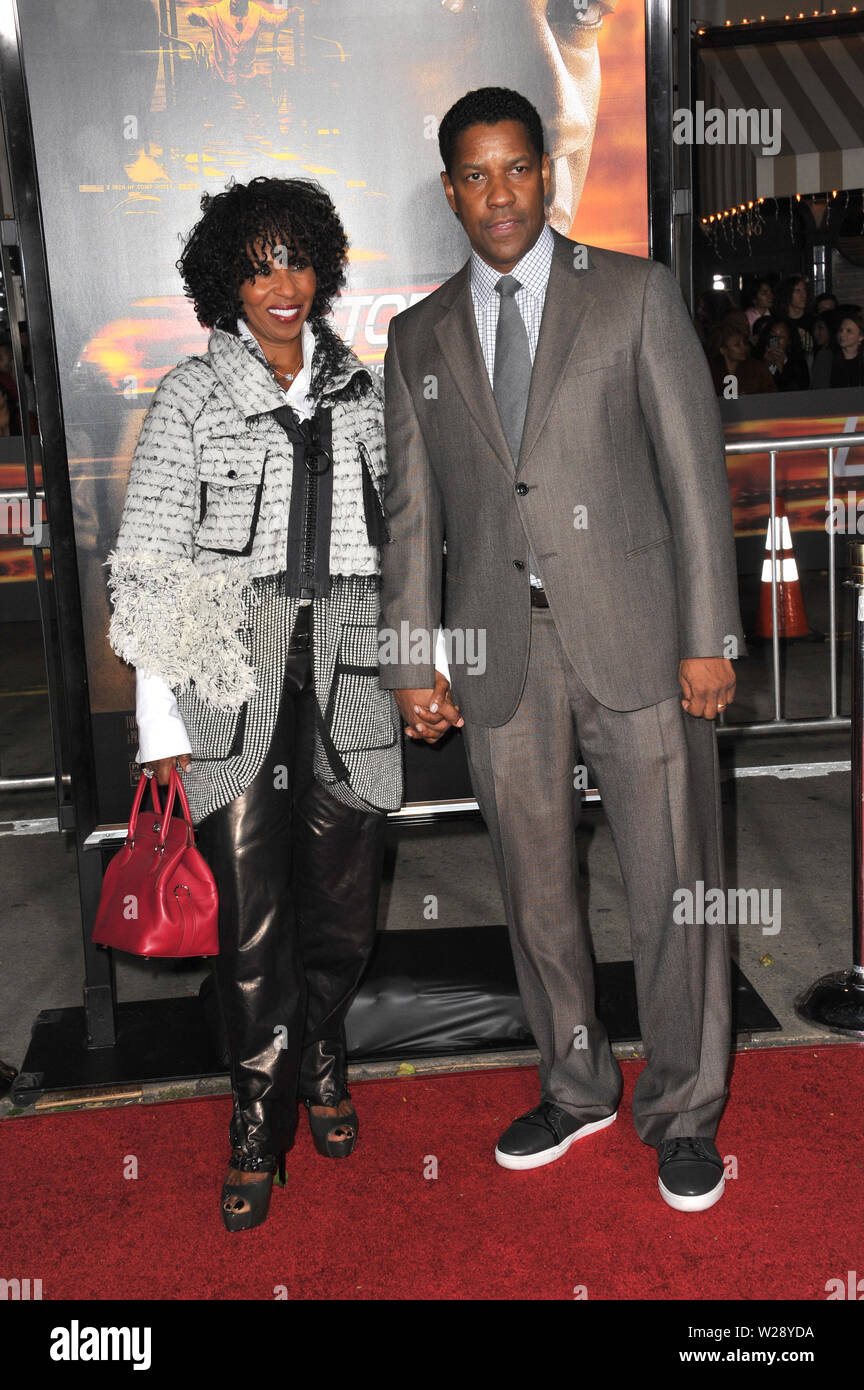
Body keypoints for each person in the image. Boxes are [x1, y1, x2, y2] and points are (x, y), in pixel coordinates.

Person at [378, 87, 745, 1212]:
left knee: (675, 888)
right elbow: (413, 519)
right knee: (536, 896)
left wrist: (708, 636)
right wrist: (409, 663)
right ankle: (577, 1084)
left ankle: (685, 1111)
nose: (499, 194)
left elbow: (692, 480)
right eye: (475, 176)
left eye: (517, 170)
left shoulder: (633, 295)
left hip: (643, 646)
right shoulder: (419, 334)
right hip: (501, 662)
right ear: (451, 190)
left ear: (548, 175)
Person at [106, 176, 402, 1231]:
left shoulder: (362, 391)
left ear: (322, 269)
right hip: (231, 678)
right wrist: (157, 735)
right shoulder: (188, 395)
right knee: (249, 922)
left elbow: (403, 550)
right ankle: (253, 1112)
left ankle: (323, 1051)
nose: (283, 284)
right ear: (228, 277)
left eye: (299, 259)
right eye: (260, 262)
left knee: (346, 907)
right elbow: (148, 571)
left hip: (352, 674)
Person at [708, 317, 775, 396]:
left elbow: (771, 395)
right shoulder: (711, 372)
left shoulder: (757, 368)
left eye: (744, 342)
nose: (744, 347)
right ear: (723, 350)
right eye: (737, 345)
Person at [753, 317, 810, 391]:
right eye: (773, 336)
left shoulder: (798, 362)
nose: (776, 340)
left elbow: (799, 388)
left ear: (789, 341)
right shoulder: (757, 358)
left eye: (781, 337)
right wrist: (766, 365)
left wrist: (781, 368)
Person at [830, 313, 864, 388]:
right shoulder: (828, 358)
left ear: (860, 337)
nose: (842, 334)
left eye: (849, 331)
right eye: (841, 330)